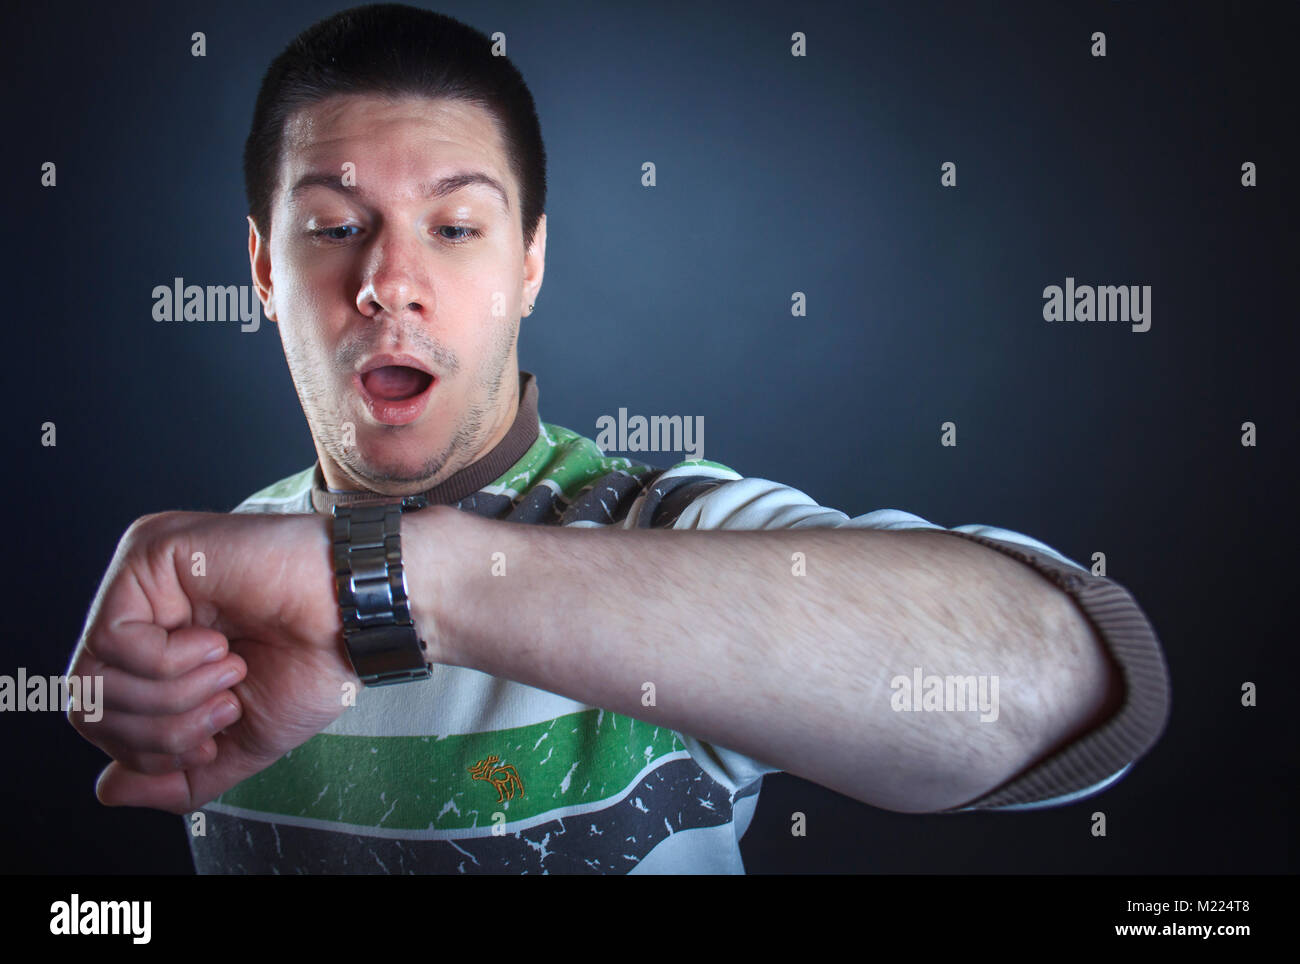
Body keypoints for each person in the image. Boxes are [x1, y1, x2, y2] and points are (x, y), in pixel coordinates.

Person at [66, 3, 1170, 874]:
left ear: (530, 264)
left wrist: (399, 582)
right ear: (263, 269)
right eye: (335, 229)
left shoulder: (663, 528)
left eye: (455, 228)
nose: (389, 282)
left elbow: (1069, 683)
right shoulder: (207, 587)